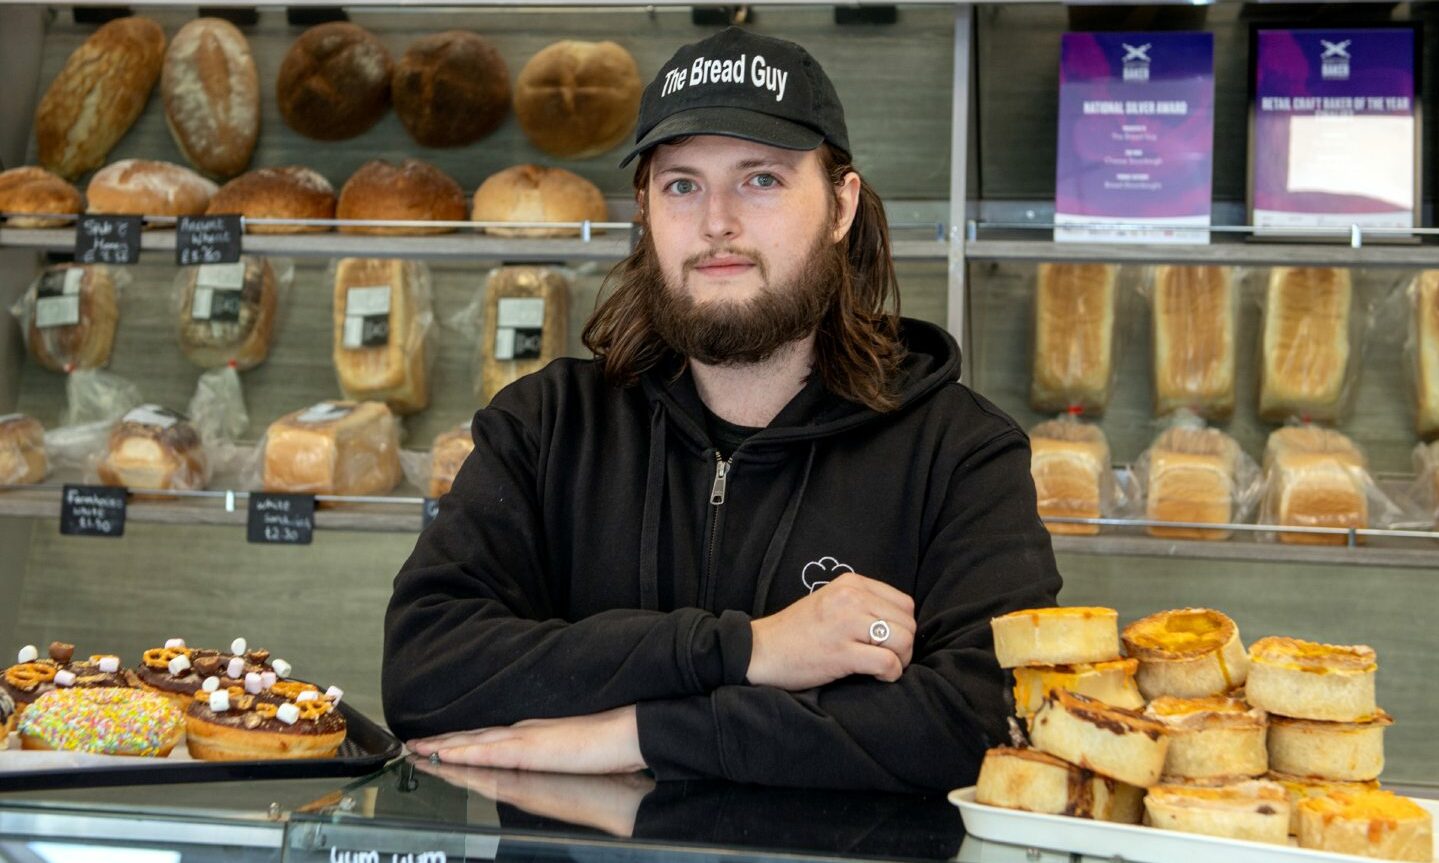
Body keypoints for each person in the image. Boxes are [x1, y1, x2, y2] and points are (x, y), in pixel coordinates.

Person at [382, 26, 1061, 792]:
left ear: (841, 206)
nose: (715, 223)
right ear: (644, 209)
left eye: (761, 179)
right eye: (681, 184)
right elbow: (425, 670)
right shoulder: (546, 426)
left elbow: (989, 719)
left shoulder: (958, 451)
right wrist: (748, 651)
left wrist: (637, 734)